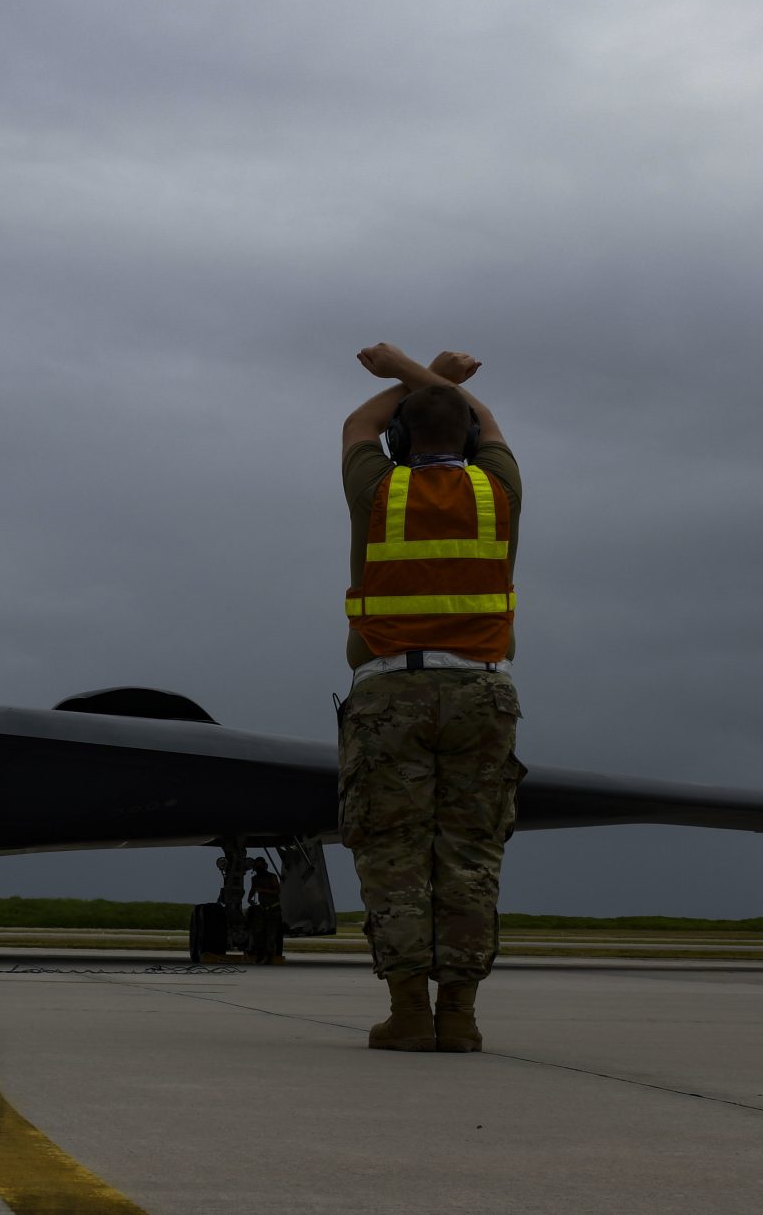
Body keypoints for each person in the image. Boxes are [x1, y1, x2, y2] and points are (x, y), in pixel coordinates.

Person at [338, 342, 524, 1053]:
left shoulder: (377, 491)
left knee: (394, 851)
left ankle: (410, 1012)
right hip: (482, 690)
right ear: (470, 440)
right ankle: (462, 1016)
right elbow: (489, 420)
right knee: (472, 852)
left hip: (391, 692)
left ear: (400, 439)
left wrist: (413, 373)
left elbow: (357, 423)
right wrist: (431, 378)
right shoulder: (499, 490)